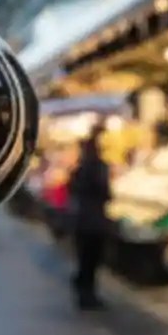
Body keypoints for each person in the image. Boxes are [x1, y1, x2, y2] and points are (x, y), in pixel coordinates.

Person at [67, 129, 111, 309]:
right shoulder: (100, 167)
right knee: (92, 260)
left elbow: (72, 189)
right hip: (95, 222)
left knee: (84, 259)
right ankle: (88, 295)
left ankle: (82, 288)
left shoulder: (79, 168)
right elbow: (105, 192)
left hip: (81, 220)